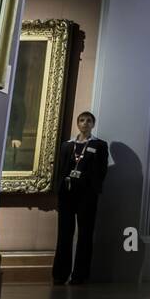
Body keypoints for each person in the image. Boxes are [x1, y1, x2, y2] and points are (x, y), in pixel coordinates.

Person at [52, 111, 109, 285]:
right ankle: (60, 274)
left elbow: (101, 170)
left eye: (89, 120)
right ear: (77, 123)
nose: (85, 123)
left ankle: (80, 275)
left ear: (93, 124)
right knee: (64, 234)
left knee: (85, 234)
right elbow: (61, 169)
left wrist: (92, 187)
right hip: (67, 194)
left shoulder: (99, 145)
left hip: (87, 195)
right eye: (82, 120)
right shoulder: (66, 146)